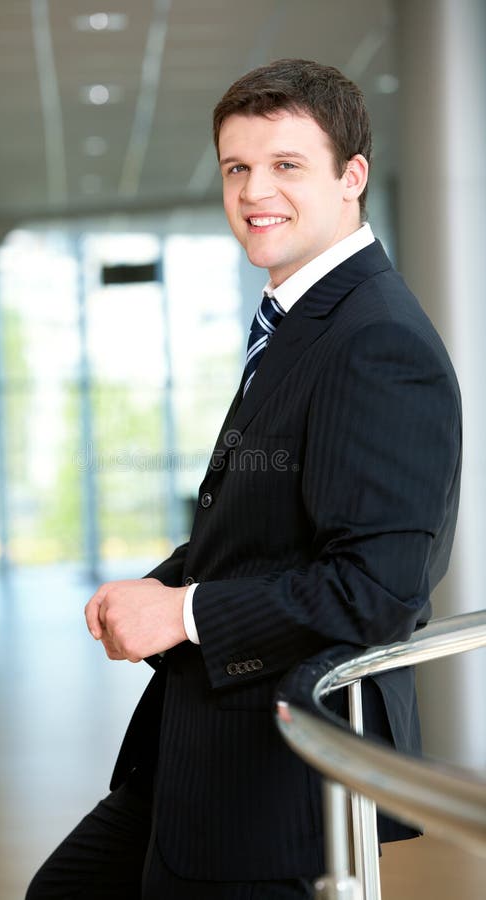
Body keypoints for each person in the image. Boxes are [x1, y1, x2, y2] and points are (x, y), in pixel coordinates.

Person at [26, 58, 462, 899]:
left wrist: (184, 612)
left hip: (271, 771)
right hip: (205, 751)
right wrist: (156, 588)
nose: (255, 190)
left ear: (352, 177)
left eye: (287, 165)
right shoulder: (306, 318)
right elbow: (270, 518)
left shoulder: (377, 341)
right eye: (237, 167)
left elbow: (376, 588)